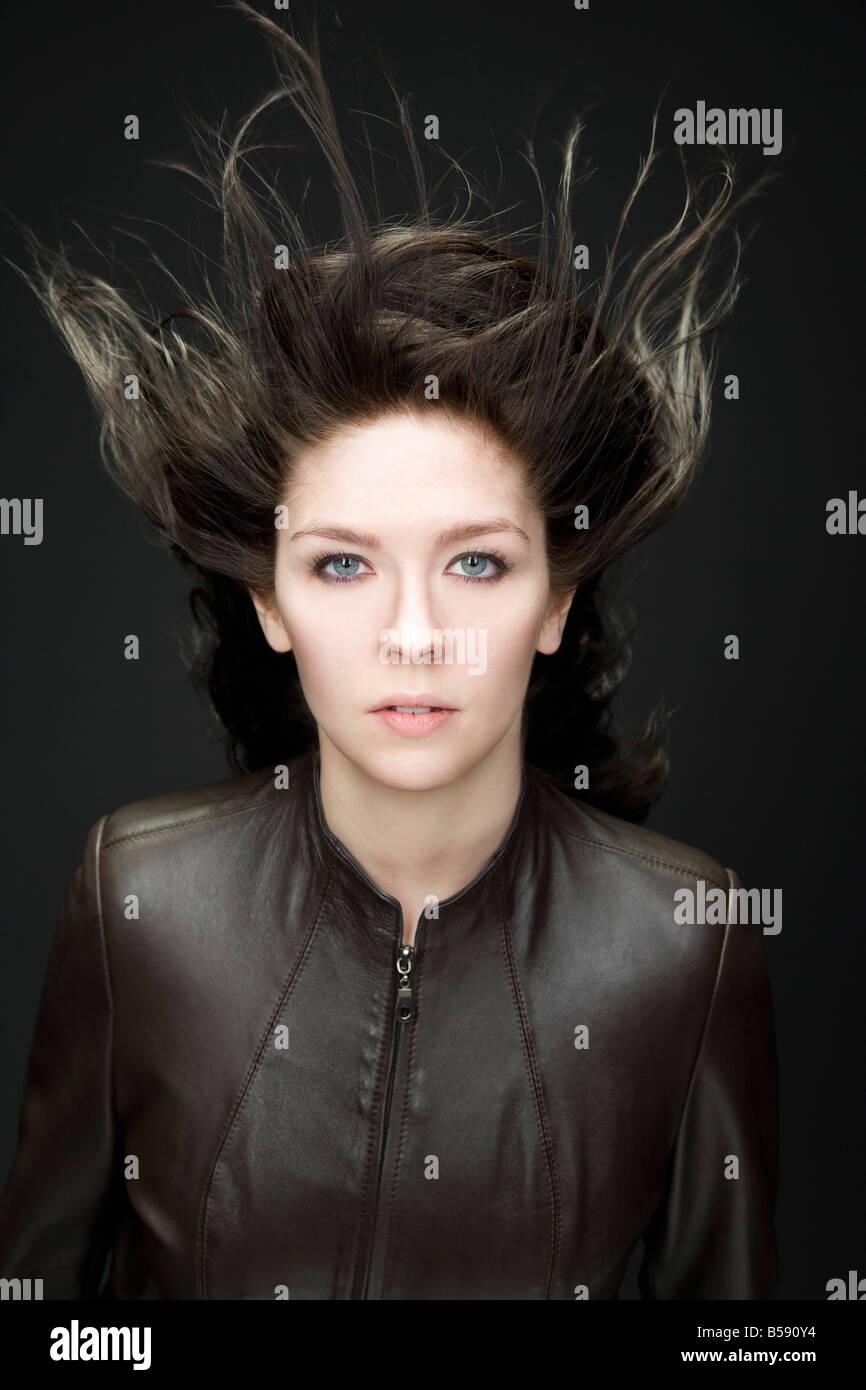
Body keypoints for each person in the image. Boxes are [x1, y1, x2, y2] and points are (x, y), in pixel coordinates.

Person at [0, 2, 779, 1299]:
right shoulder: (139, 898)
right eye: (341, 563)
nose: (411, 633)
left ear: (553, 596)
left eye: (474, 560)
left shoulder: (682, 942)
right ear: (267, 596)